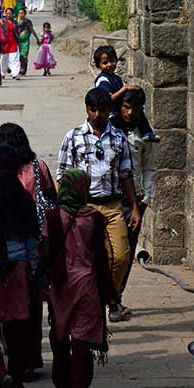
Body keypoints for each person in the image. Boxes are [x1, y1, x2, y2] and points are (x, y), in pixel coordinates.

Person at [57, 88, 140, 316]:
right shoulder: (73, 137)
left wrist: (134, 207)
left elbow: (126, 174)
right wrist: (64, 209)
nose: (96, 115)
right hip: (84, 208)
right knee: (87, 259)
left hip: (112, 206)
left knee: (121, 256)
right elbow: (62, 175)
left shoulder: (118, 139)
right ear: (87, 109)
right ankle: (94, 302)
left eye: (101, 110)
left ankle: (110, 296)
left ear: (108, 110)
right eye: (92, 110)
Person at [45, 168, 114, 388]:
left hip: (61, 288)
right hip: (87, 286)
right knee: (82, 344)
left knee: (60, 339)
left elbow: (45, 253)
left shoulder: (53, 218)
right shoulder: (93, 218)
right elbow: (103, 257)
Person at [0, 143, 41, 388]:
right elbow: (32, 241)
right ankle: (17, 387)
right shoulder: (22, 198)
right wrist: (33, 272)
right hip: (18, 270)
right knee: (18, 334)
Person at [0, 121, 56, 375]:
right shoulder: (37, 167)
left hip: (5, 249)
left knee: (7, 309)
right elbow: (52, 198)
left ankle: (13, 357)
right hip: (36, 242)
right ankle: (31, 356)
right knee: (31, 304)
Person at [116, 88, 157, 302]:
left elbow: (150, 167)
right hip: (109, 198)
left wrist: (146, 199)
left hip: (133, 202)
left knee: (127, 251)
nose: (130, 113)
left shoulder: (145, 136)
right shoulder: (109, 129)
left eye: (135, 109)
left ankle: (117, 296)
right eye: (126, 107)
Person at [0, 13, 20, 80]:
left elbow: (17, 33)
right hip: (5, 43)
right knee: (3, 59)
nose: (9, 15)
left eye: (10, 13)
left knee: (14, 59)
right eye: (7, 13)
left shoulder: (15, 23)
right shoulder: (2, 22)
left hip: (13, 42)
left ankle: (15, 74)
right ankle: (2, 74)